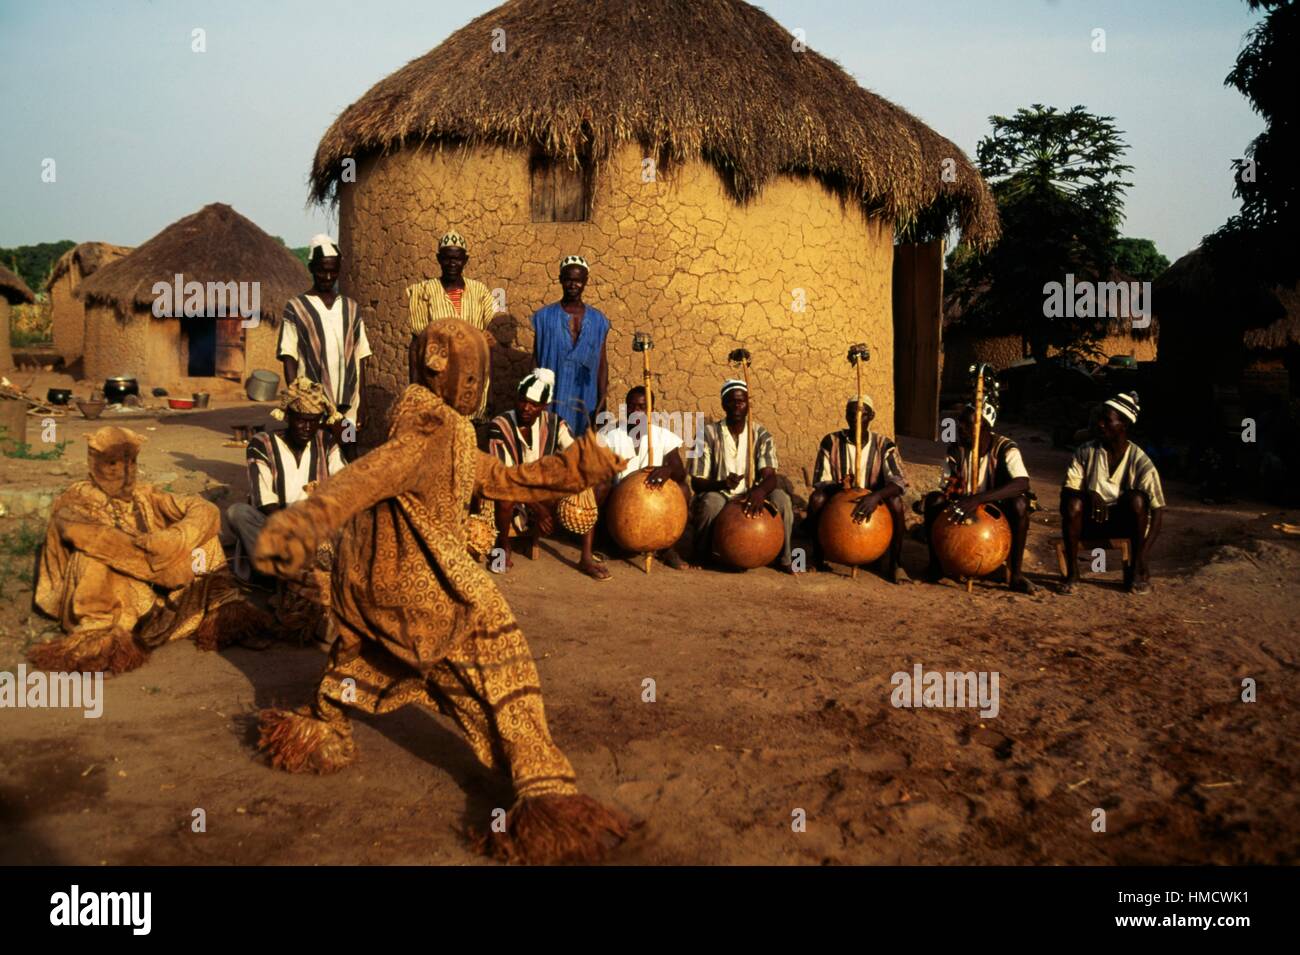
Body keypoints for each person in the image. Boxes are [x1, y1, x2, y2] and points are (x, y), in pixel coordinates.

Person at [253, 319, 629, 864]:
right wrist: (304, 522)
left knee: (384, 659)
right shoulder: (429, 428)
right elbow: (371, 475)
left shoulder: (450, 429)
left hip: (390, 581)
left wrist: (572, 470)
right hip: (422, 584)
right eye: (469, 375)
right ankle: (545, 793)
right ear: (436, 367)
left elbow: (501, 479)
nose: (475, 387)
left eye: (479, 377)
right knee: (505, 664)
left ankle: (321, 725)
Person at [28, 427, 270, 674]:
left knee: (205, 537)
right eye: (112, 464)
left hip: (156, 588)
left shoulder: (143, 493)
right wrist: (166, 566)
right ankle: (99, 646)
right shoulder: (74, 502)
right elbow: (110, 545)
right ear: (94, 463)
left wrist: (176, 538)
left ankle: (228, 621)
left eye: (131, 462)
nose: (124, 472)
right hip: (115, 597)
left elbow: (204, 509)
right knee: (91, 561)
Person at [486, 369, 611, 580]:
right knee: (505, 496)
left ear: (544, 406)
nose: (526, 408)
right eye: (523, 401)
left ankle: (586, 556)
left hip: (544, 493)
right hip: (512, 493)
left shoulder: (555, 424)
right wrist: (538, 509)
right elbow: (505, 477)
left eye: (534, 404)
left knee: (597, 484)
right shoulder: (500, 426)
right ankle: (503, 547)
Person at [226, 378, 346, 587]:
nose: (307, 428)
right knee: (237, 513)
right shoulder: (262, 444)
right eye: (301, 420)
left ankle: (291, 574)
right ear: (288, 417)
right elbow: (264, 500)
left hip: (317, 528)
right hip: (277, 525)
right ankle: (279, 573)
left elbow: (344, 483)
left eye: (313, 421)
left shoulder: (326, 442)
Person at [921, 401, 1034, 593]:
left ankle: (1016, 575)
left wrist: (978, 499)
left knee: (1020, 505)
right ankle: (935, 565)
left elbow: (1022, 482)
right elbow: (946, 485)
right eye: (960, 422)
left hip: (996, 508)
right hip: (963, 503)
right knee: (934, 500)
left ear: (985, 428)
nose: (960, 427)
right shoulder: (956, 449)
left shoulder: (1006, 448)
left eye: (967, 424)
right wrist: (954, 496)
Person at [1060, 391, 1165, 595]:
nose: (1100, 424)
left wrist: (1143, 556)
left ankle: (1135, 570)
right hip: (1089, 523)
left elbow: (1158, 512)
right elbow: (1066, 493)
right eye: (1100, 419)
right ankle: (1073, 573)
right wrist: (1089, 495)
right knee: (1073, 502)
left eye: (1107, 421)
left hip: (1122, 526)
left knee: (1137, 500)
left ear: (1123, 425)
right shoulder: (1085, 452)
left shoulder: (1140, 461)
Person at [278, 235, 372, 460]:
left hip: (347, 404)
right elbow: (289, 356)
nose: (328, 277)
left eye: (333, 271)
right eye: (322, 271)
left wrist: (363, 401)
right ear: (312, 268)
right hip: (312, 403)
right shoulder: (297, 308)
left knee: (349, 451)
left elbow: (360, 357)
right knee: (315, 454)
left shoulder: (351, 308)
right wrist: (297, 399)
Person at [689, 379, 795, 573]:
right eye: (731, 401)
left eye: (741, 401)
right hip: (721, 493)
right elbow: (696, 482)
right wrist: (722, 483)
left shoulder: (761, 435)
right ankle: (702, 554)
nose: (737, 405)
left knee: (783, 500)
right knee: (710, 504)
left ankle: (785, 558)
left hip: (754, 493)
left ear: (748, 404)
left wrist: (760, 491)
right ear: (723, 405)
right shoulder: (706, 434)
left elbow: (770, 476)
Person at [805, 395, 909, 582]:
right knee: (816, 499)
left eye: (862, 414)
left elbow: (899, 481)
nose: (856, 419)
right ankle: (818, 556)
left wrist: (875, 496)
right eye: (851, 414)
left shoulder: (884, 445)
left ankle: (895, 564)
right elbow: (820, 481)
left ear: (871, 416)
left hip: (875, 502)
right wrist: (840, 487)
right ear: (846, 416)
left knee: (896, 502)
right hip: (840, 499)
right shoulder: (831, 442)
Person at [406, 231, 499, 419]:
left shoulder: (480, 292)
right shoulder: (423, 291)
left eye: (457, 259)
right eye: (447, 258)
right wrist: (415, 388)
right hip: (437, 382)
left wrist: (490, 388)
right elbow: (417, 344)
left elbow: (490, 338)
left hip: (472, 382)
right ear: (438, 259)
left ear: (465, 260)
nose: (452, 264)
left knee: (471, 429)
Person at [599, 385, 688, 569]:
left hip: (656, 500)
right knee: (601, 488)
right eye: (631, 406)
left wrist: (667, 470)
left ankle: (668, 548)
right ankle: (609, 541)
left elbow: (680, 472)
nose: (636, 411)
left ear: (651, 410)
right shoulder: (612, 436)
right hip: (621, 500)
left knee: (684, 489)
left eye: (642, 407)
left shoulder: (663, 436)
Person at [530, 255, 609, 437]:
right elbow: (536, 358)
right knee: (550, 442)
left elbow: (602, 364)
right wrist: (531, 396)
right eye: (568, 280)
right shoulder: (544, 317)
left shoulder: (599, 321)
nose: (573, 285)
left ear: (586, 281)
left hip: (585, 398)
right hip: (552, 398)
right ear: (560, 280)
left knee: (581, 447)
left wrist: (602, 400)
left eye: (578, 280)